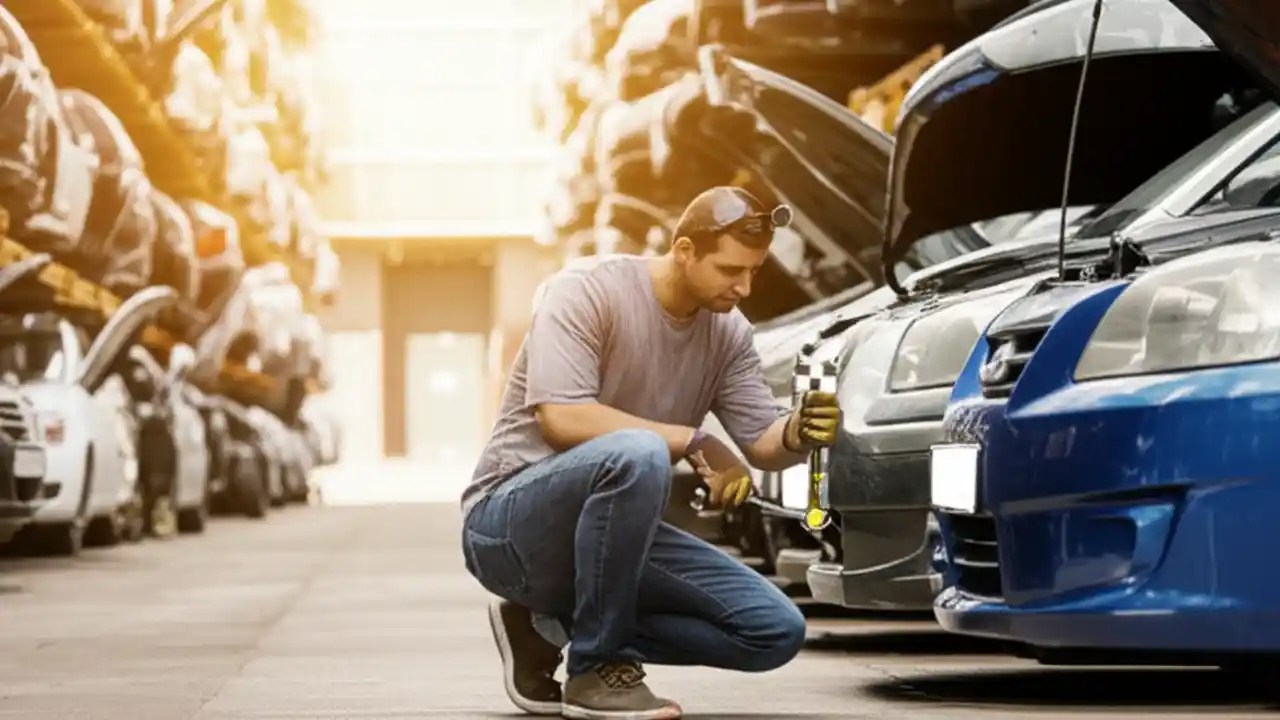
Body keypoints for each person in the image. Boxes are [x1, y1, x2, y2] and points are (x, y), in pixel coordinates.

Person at [460, 187, 841, 720]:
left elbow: (762, 442)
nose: (744, 286)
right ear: (684, 251)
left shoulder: (728, 332)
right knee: (639, 452)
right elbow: (563, 418)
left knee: (773, 630)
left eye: (753, 271)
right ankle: (596, 669)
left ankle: (550, 626)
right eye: (731, 269)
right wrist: (693, 439)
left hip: (613, 535)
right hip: (507, 528)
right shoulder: (586, 291)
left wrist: (797, 432)